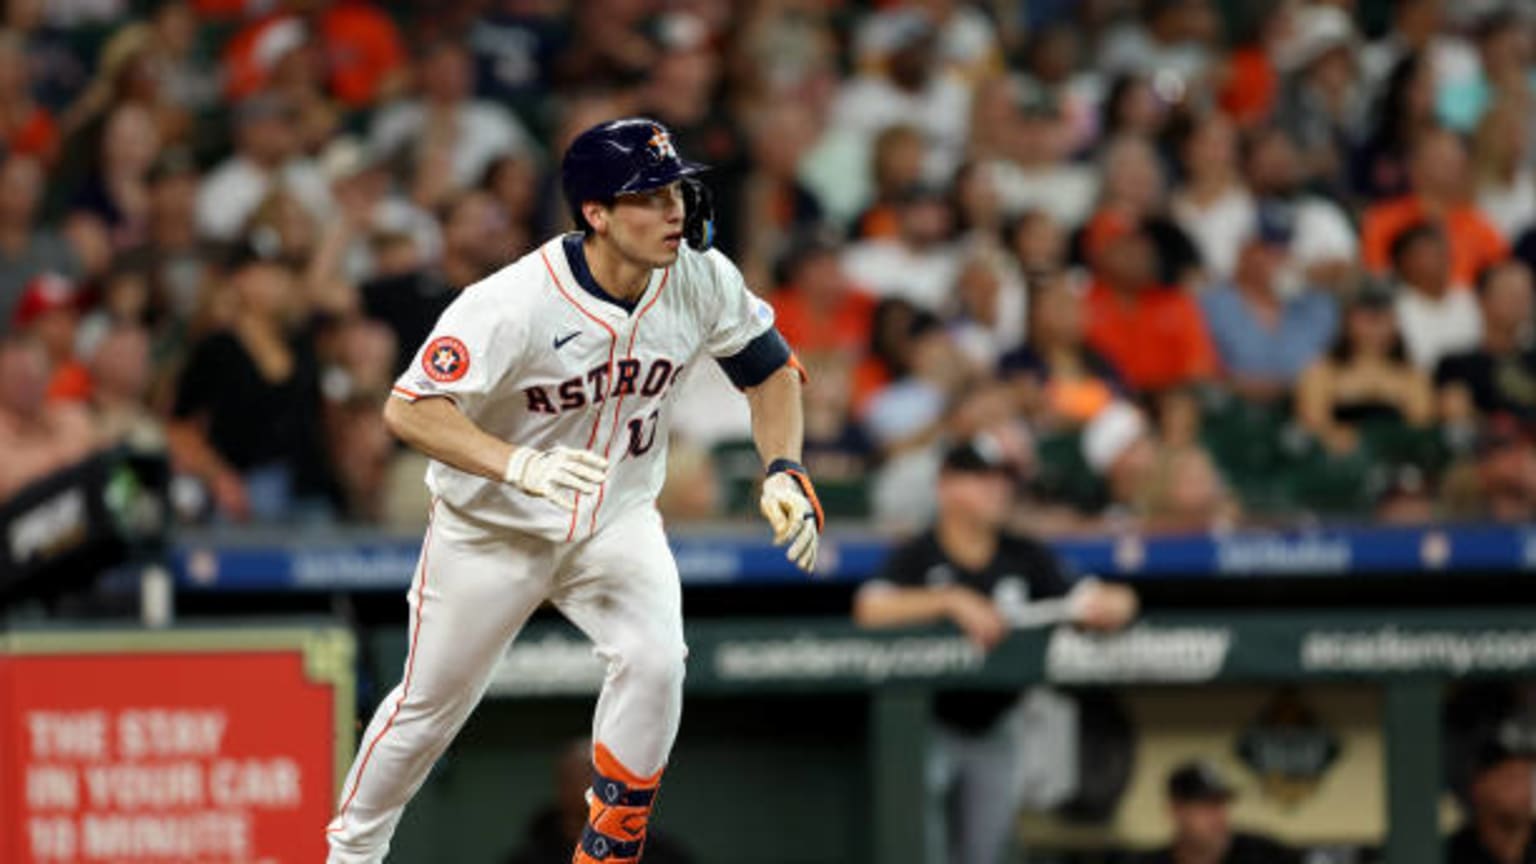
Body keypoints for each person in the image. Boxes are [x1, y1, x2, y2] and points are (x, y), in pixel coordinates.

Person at [325, 118, 822, 864]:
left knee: (657, 659)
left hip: (614, 516)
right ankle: (350, 853)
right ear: (596, 213)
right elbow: (409, 408)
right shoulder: (514, 300)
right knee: (428, 710)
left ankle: (609, 848)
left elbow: (771, 373)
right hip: (492, 528)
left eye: (674, 190)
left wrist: (784, 464)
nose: (675, 210)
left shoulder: (700, 274)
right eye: (649, 198)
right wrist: (517, 465)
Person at [853, 435, 1138, 864]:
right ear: (946, 486)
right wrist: (950, 600)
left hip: (997, 724)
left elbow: (1106, 599)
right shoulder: (919, 553)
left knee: (985, 854)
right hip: (929, 722)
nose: (997, 490)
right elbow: (870, 609)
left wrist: (1112, 605)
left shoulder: (1023, 554)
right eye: (981, 479)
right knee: (918, 848)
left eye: (1002, 480)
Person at [504, 738, 694, 864]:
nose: (597, 785)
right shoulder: (530, 859)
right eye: (584, 775)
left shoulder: (660, 854)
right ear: (561, 786)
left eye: (605, 776)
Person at [1139, 759, 1298, 864]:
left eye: (1222, 804)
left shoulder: (1265, 855)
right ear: (1176, 811)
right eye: (1207, 806)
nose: (1220, 816)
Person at [1446, 718, 1536, 864]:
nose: (1525, 791)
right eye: (1511, 778)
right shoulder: (1452, 853)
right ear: (1478, 787)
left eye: (1529, 777)